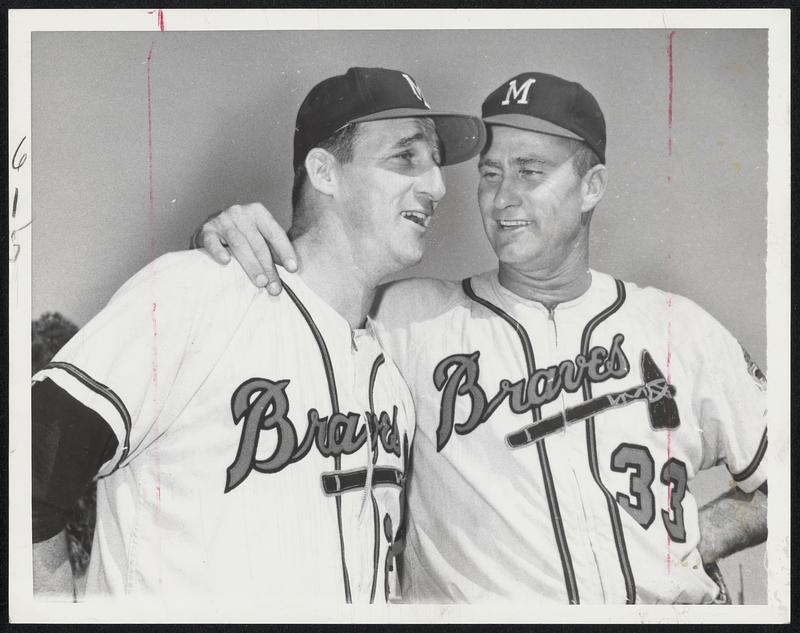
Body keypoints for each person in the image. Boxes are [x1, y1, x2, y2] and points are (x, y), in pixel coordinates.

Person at [196, 71, 768, 605]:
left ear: (592, 186)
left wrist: (702, 535)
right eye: (490, 173)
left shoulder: (677, 328)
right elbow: (300, 295)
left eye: (530, 171)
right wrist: (226, 233)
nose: (502, 196)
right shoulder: (409, 318)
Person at [30, 66, 485, 603]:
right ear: (325, 171)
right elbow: (25, 477)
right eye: (406, 156)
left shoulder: (388, 378)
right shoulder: (198, 293)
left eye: (435, 162)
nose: (436, 185)